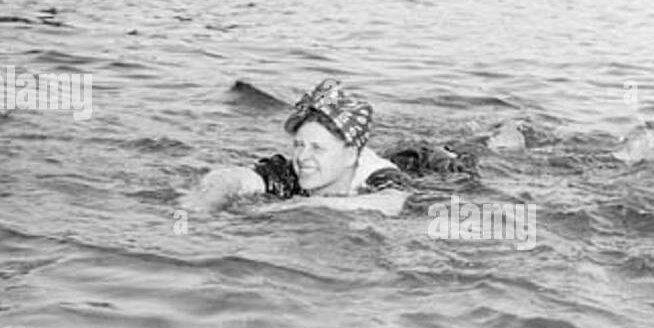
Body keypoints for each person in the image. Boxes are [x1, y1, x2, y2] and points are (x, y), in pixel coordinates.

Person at [184, 79, 474, 215]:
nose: (303, 158)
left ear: (350, 154)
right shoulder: (291, 171)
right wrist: (203, 204)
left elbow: (391, 202)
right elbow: (230, 177)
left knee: (474, 148)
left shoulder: (379, 178)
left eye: (317, 148)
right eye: (299, 145)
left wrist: (298, 207)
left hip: (432, 164)